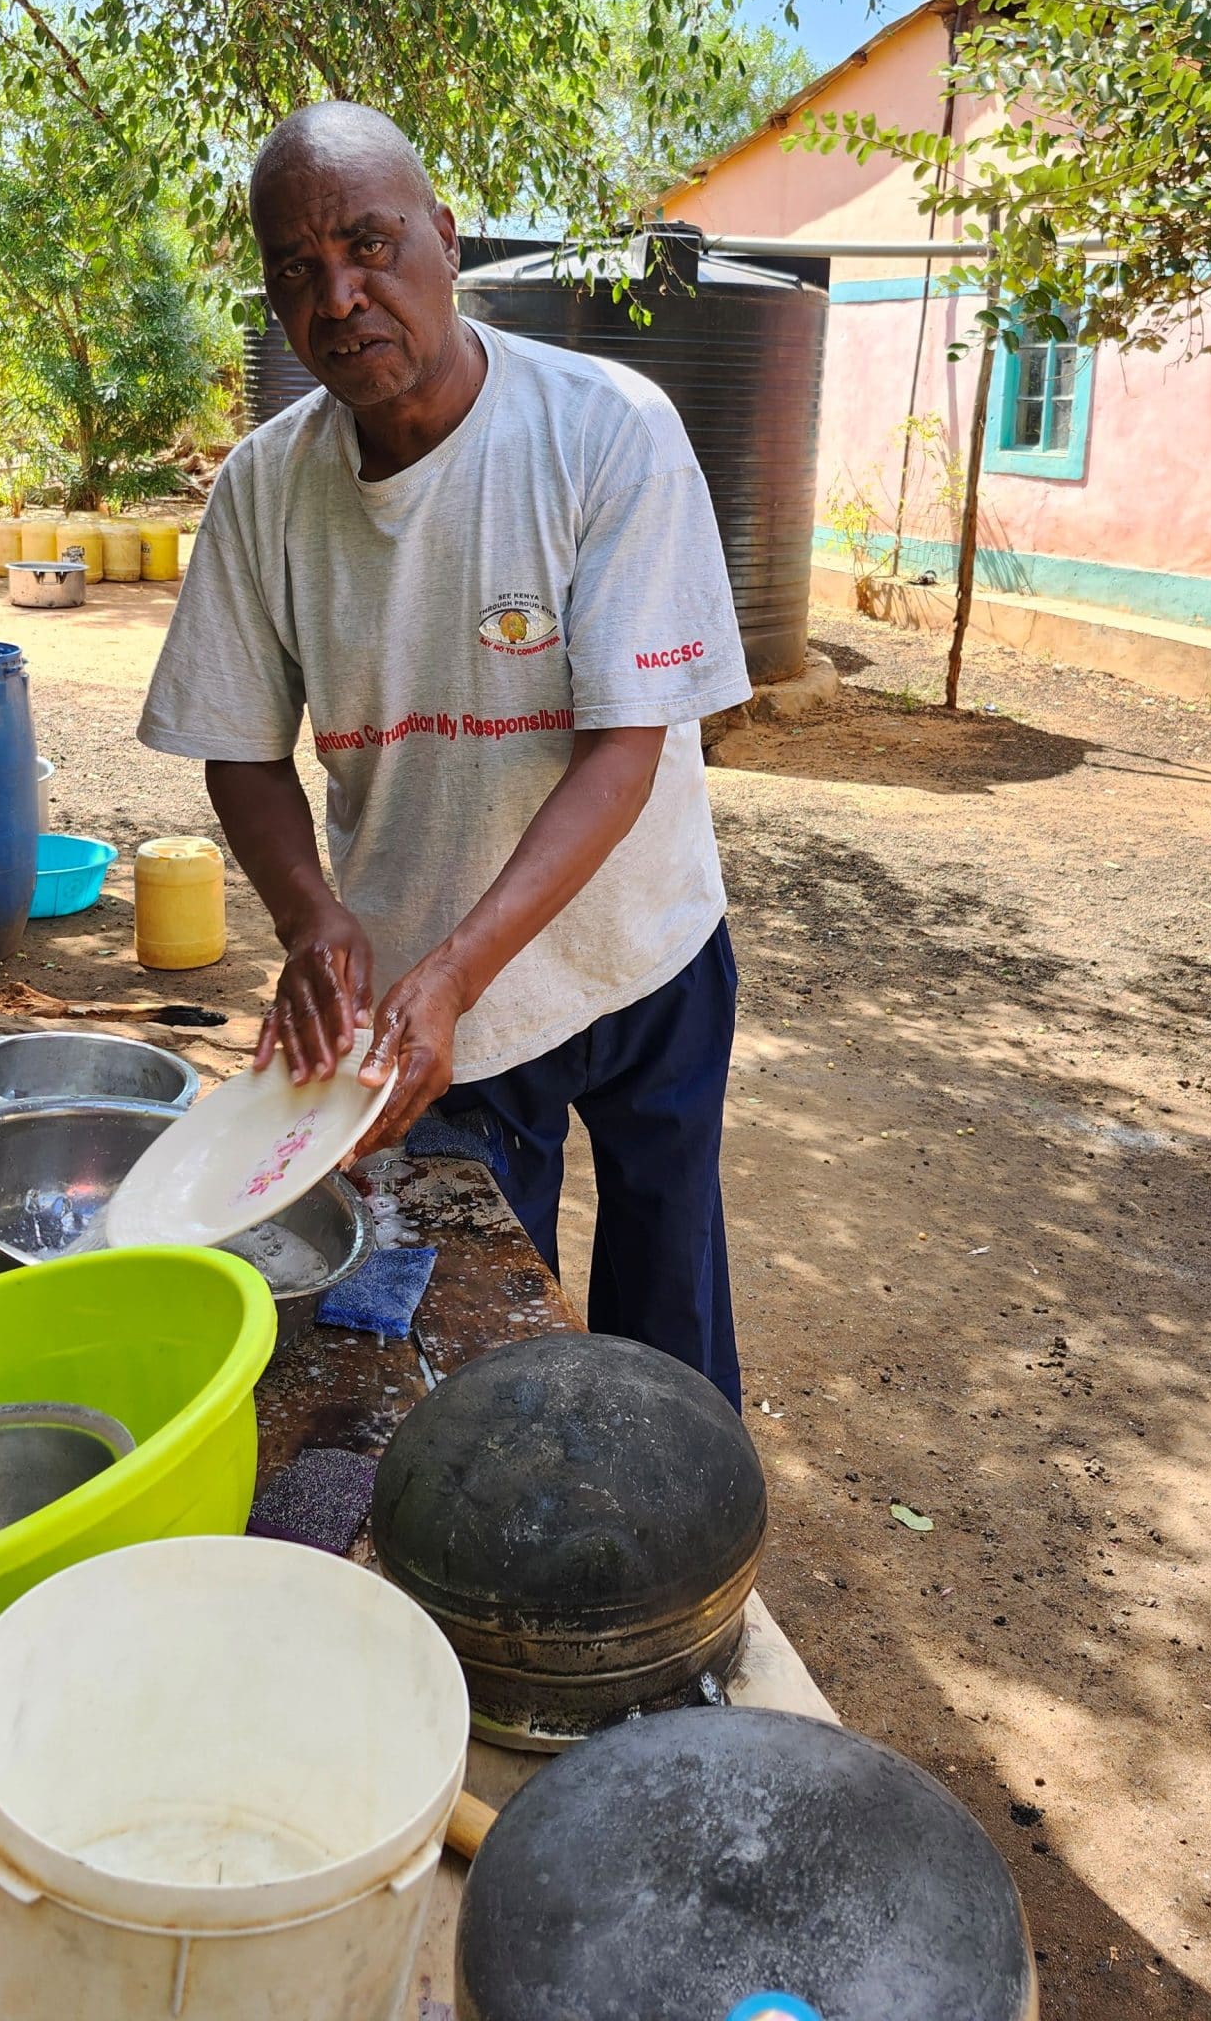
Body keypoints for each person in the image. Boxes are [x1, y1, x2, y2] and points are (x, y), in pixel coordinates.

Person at [138, 102, 754, 1406]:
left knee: (667, 1287)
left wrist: (460, 971)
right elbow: (240, 750)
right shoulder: (263, 490)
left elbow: (621, 751)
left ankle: (683, 1544)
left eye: (369, 245)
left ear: (446, 237)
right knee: (469, 1319)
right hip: (430, 985)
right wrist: (312, 920)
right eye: (298, 270)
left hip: (639, 943)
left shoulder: (605, 429)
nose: (340, 295)